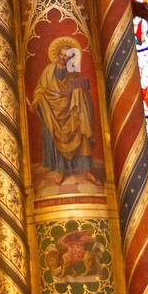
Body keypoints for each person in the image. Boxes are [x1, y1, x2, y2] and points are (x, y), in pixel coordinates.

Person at [33, 38, 99, 185]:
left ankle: (86, 170)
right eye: (61, 55)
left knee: (81, 131)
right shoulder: (48, 70)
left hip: (72, 111)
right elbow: (40, 88)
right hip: (54, 110)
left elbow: (79, 86)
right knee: (56, 134)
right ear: (57, 55)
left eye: (67, 55)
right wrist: (38, 99)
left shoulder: (72, 71)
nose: (63, 58)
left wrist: (80, 91)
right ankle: (60, 170)